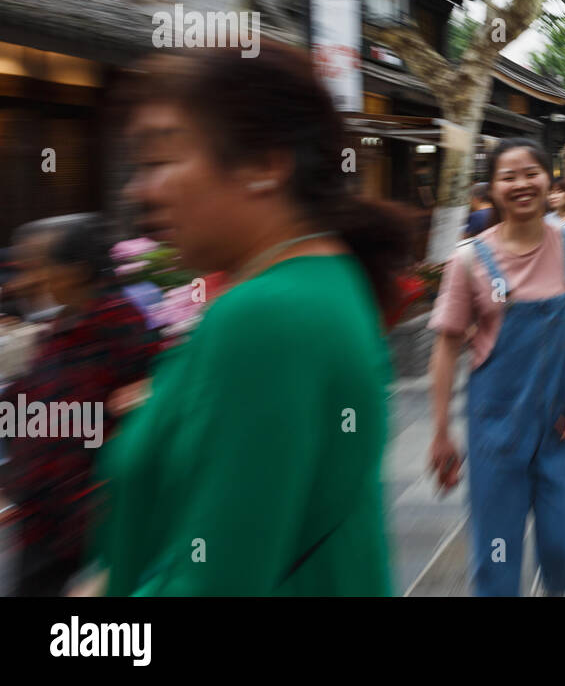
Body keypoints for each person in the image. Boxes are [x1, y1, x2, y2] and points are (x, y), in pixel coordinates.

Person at [97, 45, 406, 596]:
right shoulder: (324, 278)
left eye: (159, 161)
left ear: (266, 163)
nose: (136, 190)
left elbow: (215, 579)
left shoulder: (266, 314)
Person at [429, 139, 565, 596]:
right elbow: (447, 347)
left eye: (531, 173)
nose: (521, 183)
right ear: (492, 187)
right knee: (497, 555)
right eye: (508, 176)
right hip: (496, 431)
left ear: (550, 180)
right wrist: (441, 429)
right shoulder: (468, 260)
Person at [0, 214, 159, 596]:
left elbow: (144, 413)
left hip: (87, 529)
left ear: (76, 272)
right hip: (42, 522)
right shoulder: (60, 327)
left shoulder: (118, 326)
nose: (31, 279)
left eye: (42, 266)